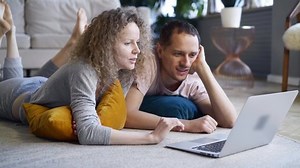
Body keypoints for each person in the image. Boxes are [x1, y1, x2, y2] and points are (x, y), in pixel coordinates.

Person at [0, 1, 184, 145]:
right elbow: (88, 132)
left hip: (43, 84)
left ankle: (11, 33)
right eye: (128, 43)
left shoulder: (125, 71)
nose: (137, 50)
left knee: (22, 78)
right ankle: (8, 34)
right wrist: (150, 138)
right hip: (16, 95)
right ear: (105, 45)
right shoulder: (84, 69)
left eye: (137, 42)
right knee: (11, 81)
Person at [125, 20, 237, 133]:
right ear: (160, 51)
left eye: (192, 55)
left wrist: (204, 68)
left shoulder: (193, 76)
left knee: (181, 107)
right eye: (178, 54)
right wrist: (186, 125)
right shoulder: (148, 63)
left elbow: (229, 121)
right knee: (177, 107)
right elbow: (127, 115)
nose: (186, 63)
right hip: (135, 99)